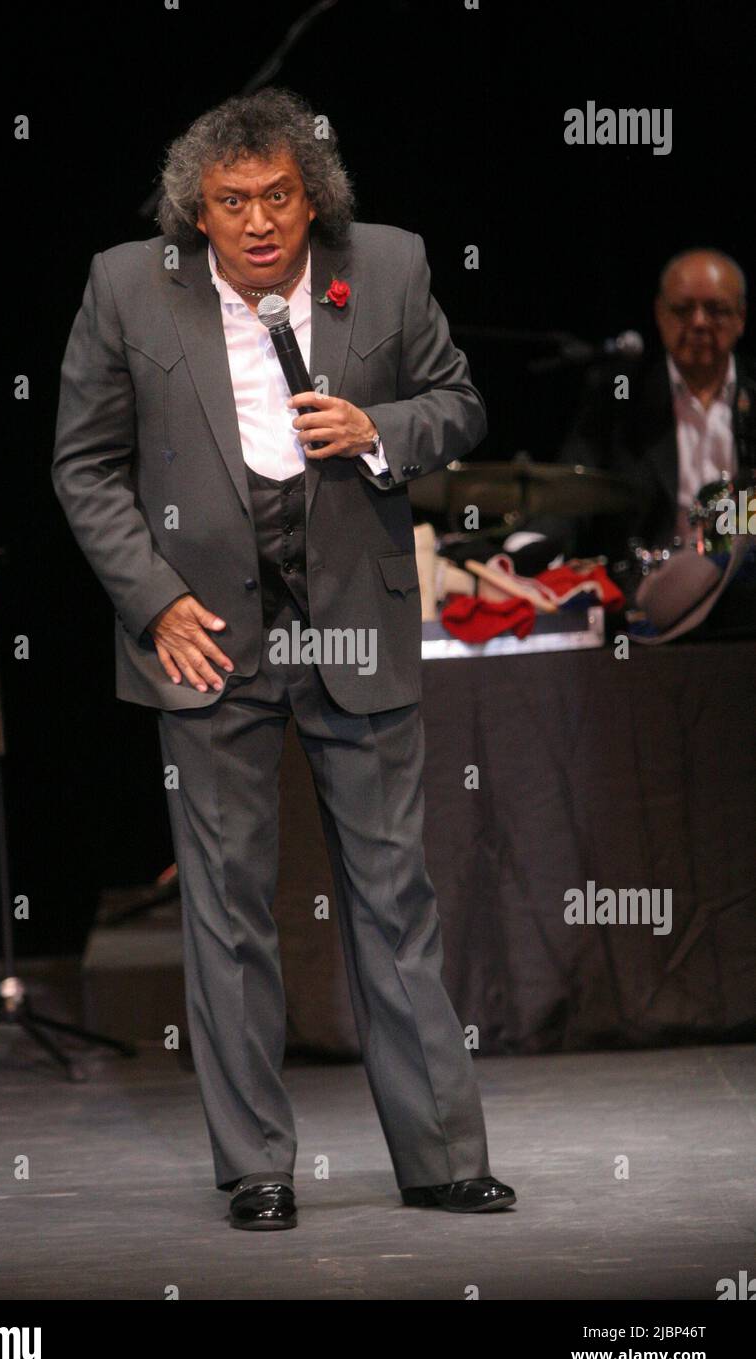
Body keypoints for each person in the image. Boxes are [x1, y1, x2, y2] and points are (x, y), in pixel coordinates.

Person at [52, 87, 516, 1230]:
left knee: (393, 895)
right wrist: (152, 602)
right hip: (208, 636)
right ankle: (256, 1165)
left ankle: (441, 1158)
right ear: (193, 213)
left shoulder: (391, 269)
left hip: (352, 615)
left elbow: (460, 405)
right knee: (225, 908)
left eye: (278, 198)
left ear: (313, 199)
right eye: (231, 203)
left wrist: (381, 431)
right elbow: (84, 467)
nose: (258, 223)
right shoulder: (126, 288)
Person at [555, 248, 753, 565]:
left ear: (741, 317)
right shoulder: (618, 395)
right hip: (647, 590)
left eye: (716, 310)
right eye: (683, 309)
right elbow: (568, 490)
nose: (699, 323)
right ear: (660, 314)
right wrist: (531, 545)